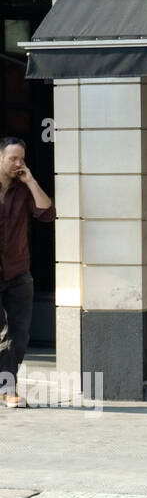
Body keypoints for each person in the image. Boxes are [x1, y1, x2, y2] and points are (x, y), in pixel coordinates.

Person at [0, 138, 54, 409]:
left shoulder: (23, 189)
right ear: (0, 158)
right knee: (2, 333)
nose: (18, 163)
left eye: (21, 158)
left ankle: (8, 388)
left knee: (18, 336)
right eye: (13, 159)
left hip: (19, 271)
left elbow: (46, 213)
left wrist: (31, 181)